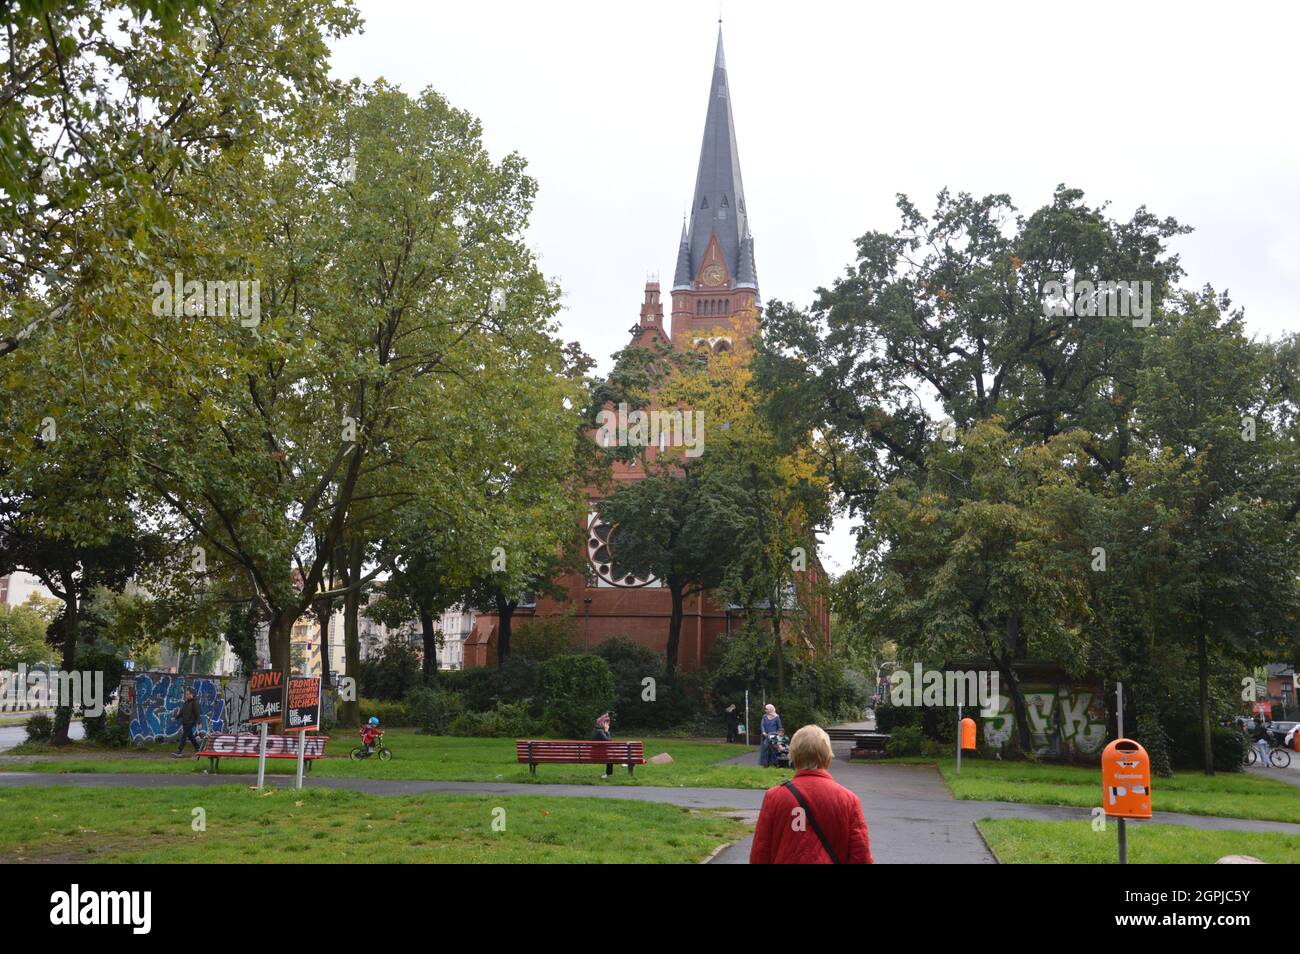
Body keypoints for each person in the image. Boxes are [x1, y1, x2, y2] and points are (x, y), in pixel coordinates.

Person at [750, 725, 872, 864]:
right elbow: (861, 856)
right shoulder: (848, 800)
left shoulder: (775, 797)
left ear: (793, 757)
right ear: (828, 758)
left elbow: (761, 852)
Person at [172, 687, 201, 758]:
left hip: (190, 722)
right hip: (185, 722)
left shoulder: (194, 703)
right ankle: (198, 748)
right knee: (190, 736)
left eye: (187, 694)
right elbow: (182, 712)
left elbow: (197, 713)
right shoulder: (186, 702)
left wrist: (199, 723)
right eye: (186, 694)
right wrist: (175, 718)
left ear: (191, 694)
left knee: (184, 736)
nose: (186, 695)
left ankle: (179, 751)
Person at [592, 712, 615, 778]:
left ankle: (609, 774)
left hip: (594, 754)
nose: (608, 724)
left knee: (611, 754)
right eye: (607, 722)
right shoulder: (600, 731)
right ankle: (609, 774)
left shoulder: (595, 730)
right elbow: (609, 742)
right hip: (599, 756)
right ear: (603, 723)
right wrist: (607, 731)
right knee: (611, 756)